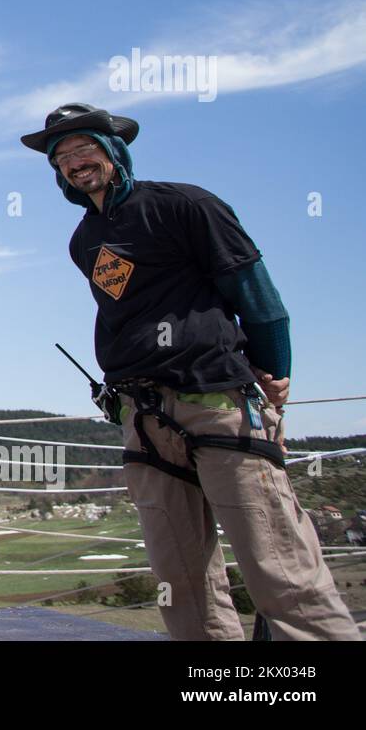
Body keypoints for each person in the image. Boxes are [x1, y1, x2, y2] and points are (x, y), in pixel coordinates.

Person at [22, 103, 359, 641]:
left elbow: (259, 297)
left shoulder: (186, 205)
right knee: (181, 583)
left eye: (84, 148)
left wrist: (275, 369)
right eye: (61, 157)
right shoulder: (83, 239)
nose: (73, 162)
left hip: (216, 402)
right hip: (143, 417)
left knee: (280, 570)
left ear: (113, 151)